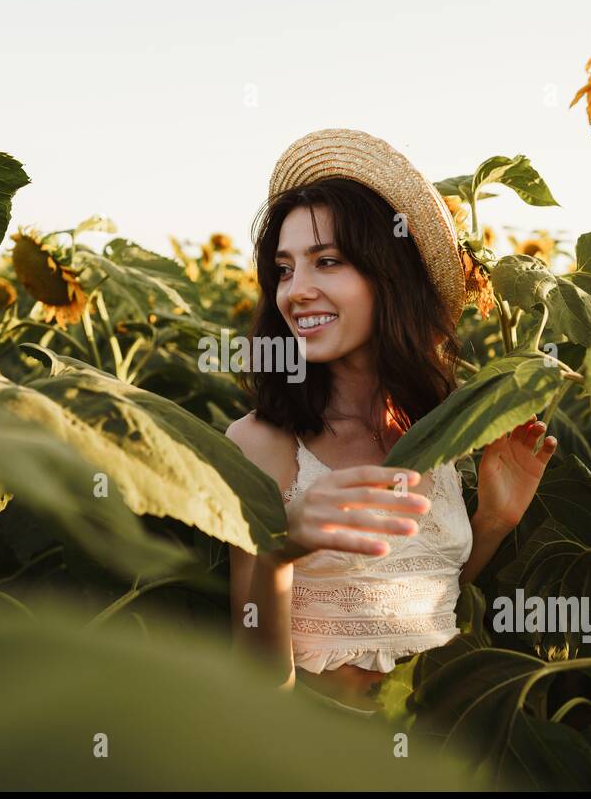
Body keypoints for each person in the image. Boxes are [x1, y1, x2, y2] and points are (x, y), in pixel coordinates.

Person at [225, 128, 558, 711]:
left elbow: (425, 606)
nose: (296, 291)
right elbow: (255, 691)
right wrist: (281, 551)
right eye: (283, 269)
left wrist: (494, 520)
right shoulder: (260, 444)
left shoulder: (436, 431)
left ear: (390, 275)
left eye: (326, 262)